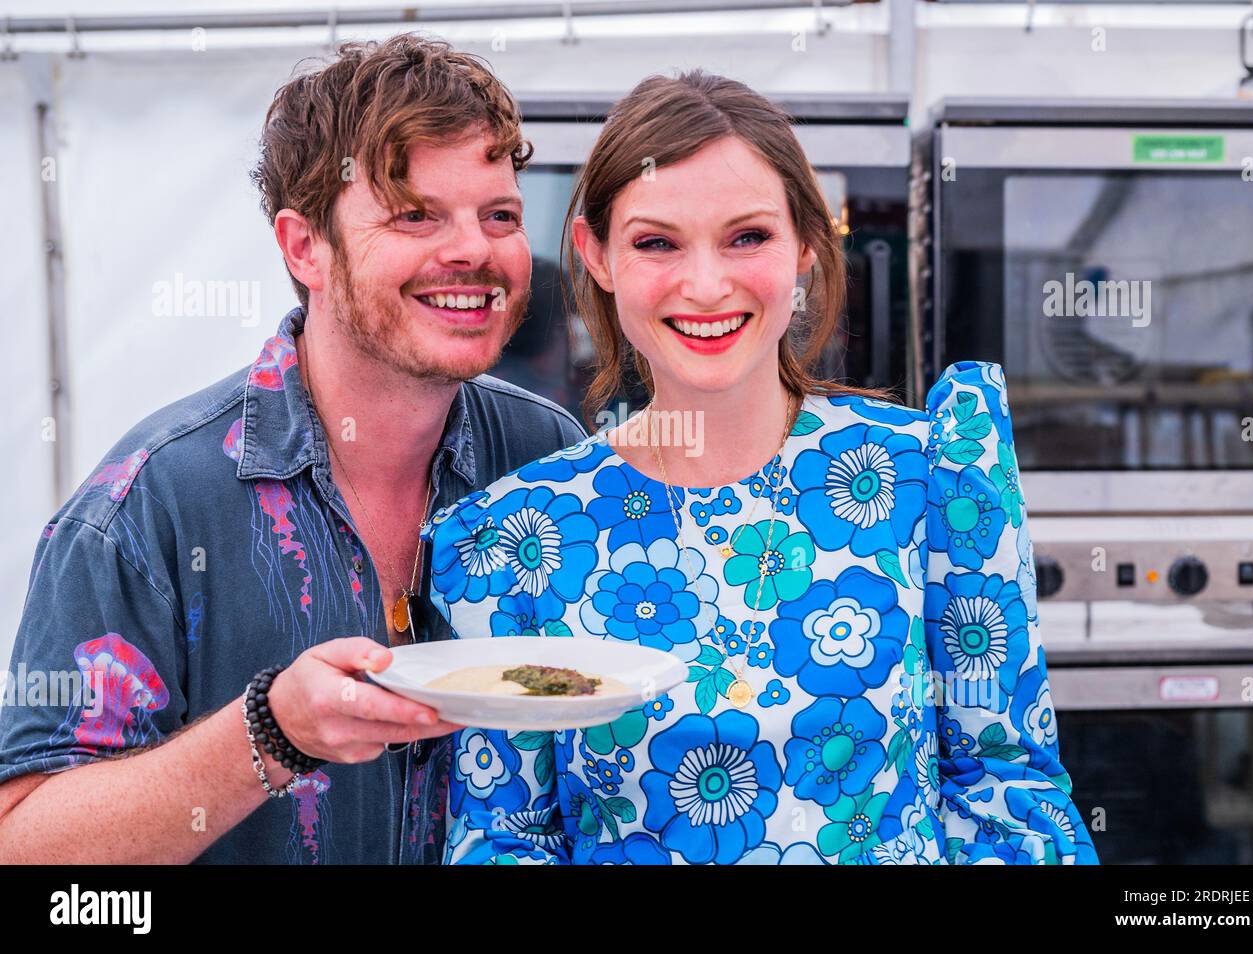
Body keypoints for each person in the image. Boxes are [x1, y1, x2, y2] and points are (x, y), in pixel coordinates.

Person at [424, 69, 1100, 864]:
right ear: (596, 254)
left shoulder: (932, 479)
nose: (706, 285)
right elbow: (505, 839)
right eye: (656, 242)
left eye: (748, 237)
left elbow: (1007, 792)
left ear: (806, 244)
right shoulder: (517, 540)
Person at [0, 34, 585, 864]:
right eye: (416, 215)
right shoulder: (148, 505)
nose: (475, 250)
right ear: (303, 246)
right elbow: (24, 843)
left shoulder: (546, 456)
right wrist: (270, 732)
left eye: (500, 216)